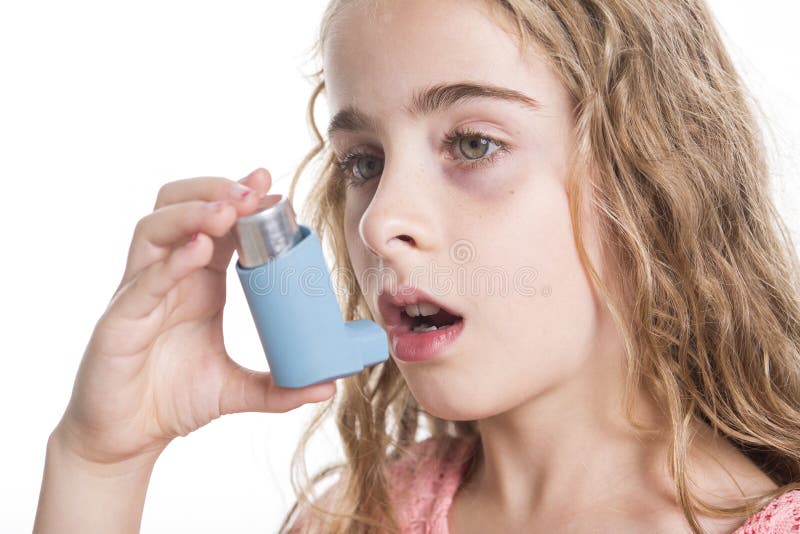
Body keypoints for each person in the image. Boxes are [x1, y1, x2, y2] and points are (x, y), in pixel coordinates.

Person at [34, 0, 800, 533]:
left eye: (473, 144)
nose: (379, 219)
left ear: (653, 177)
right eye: (364, 161)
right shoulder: (356, 518)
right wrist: (100, 463)